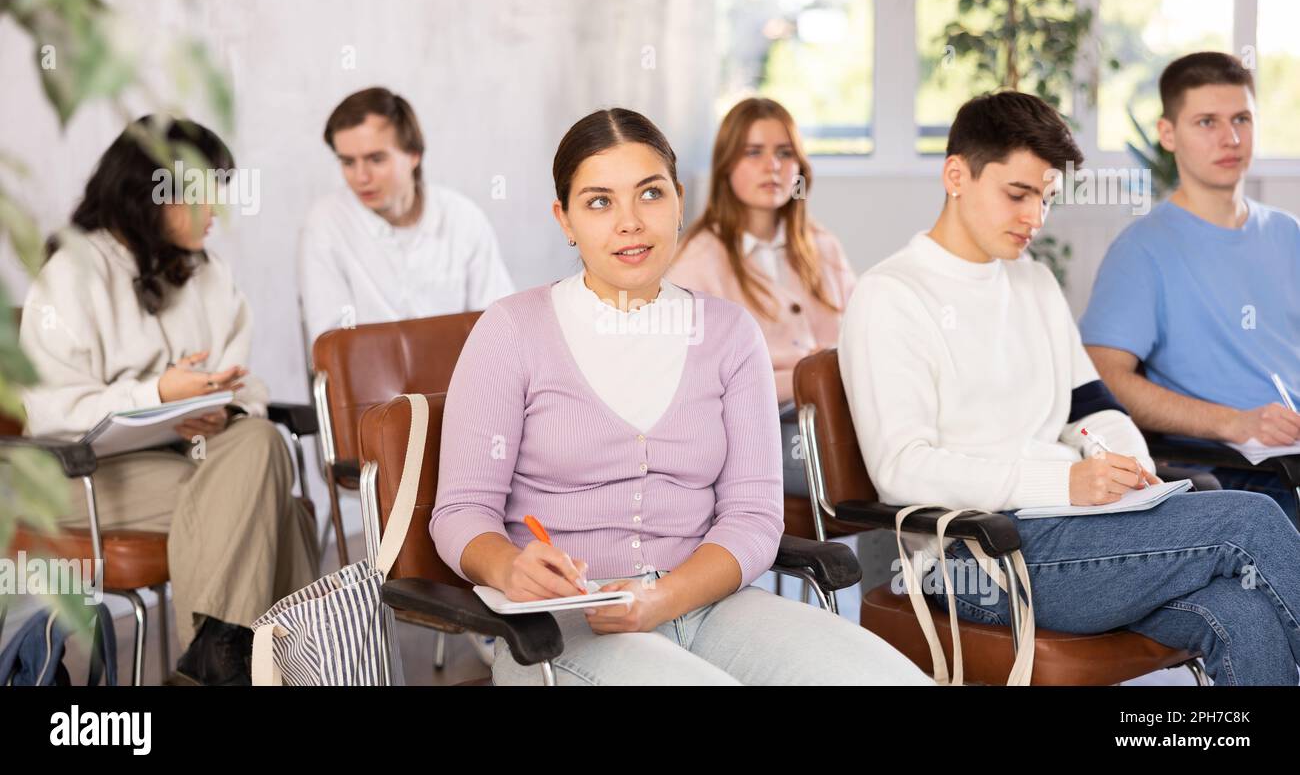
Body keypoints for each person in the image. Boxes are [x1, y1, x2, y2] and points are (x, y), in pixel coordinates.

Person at [429, 107, 931, 686]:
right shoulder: (511, 331)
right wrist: (509, 565)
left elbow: (751, 518)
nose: (630, 222)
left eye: (649, 194)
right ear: (563, 219)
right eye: (598, 202)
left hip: (712, 605)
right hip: (561, 629)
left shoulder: (729, 333)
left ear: (679, 201)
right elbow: (462, 511)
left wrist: (662, 598)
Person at [841, 91, 1300, 685]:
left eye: (1047, 198)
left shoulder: (1032, 282)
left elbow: (1092, 408)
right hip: (972, 556)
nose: (1036, 218)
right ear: (956, 174)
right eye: (1018, 194)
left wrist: (1124, 464)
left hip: (1069, 532)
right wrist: (1064, 480)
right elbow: (901, 468)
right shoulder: (892, 297)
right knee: (1250, 522)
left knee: (1241, 612)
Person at [19, 115, 320, 686]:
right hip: (81, 476)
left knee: (254, 442)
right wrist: (157, 395)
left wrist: (218, 407)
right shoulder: (72, 277)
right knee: (268, 498)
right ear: (148, 197)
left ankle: (220, 658)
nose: (216, 215)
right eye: (201, 198)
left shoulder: (209, 274)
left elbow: (244, 383)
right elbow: (50, 414)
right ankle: (263, 668)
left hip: (191, 460)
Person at [1080, 52, 1300, 523]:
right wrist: (1236, 422)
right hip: (1235, 470)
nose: (1231, 138)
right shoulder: (1141, 250)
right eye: (1207, 122)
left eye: (1242, 118)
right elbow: (1105, 377)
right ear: (1168, 134)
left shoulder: (1288, 234)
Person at [299, 87, 514, 346]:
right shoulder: (325, 224)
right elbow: (332, 345)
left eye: (376, 159)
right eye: (347, 162)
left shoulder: (463, 218)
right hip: (370, 385)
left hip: (464, 382)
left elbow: (499, 327)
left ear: (414, 154)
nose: (361, 177)